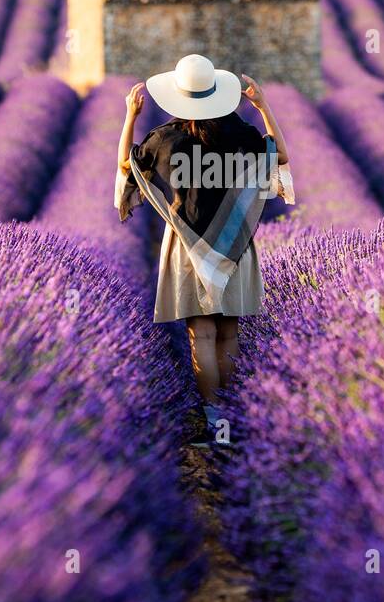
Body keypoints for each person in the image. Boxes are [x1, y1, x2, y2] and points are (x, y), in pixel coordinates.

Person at [115, 54, 294, 444]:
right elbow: (279, 157)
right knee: (229, 335)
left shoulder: (163, 139)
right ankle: (230, 422)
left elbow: (127, 167)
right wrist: (264, 107)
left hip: (188, 248)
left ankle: (216, 424)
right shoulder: (240, 133)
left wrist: (130, 115)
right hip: (235, 245)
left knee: (203, 338)